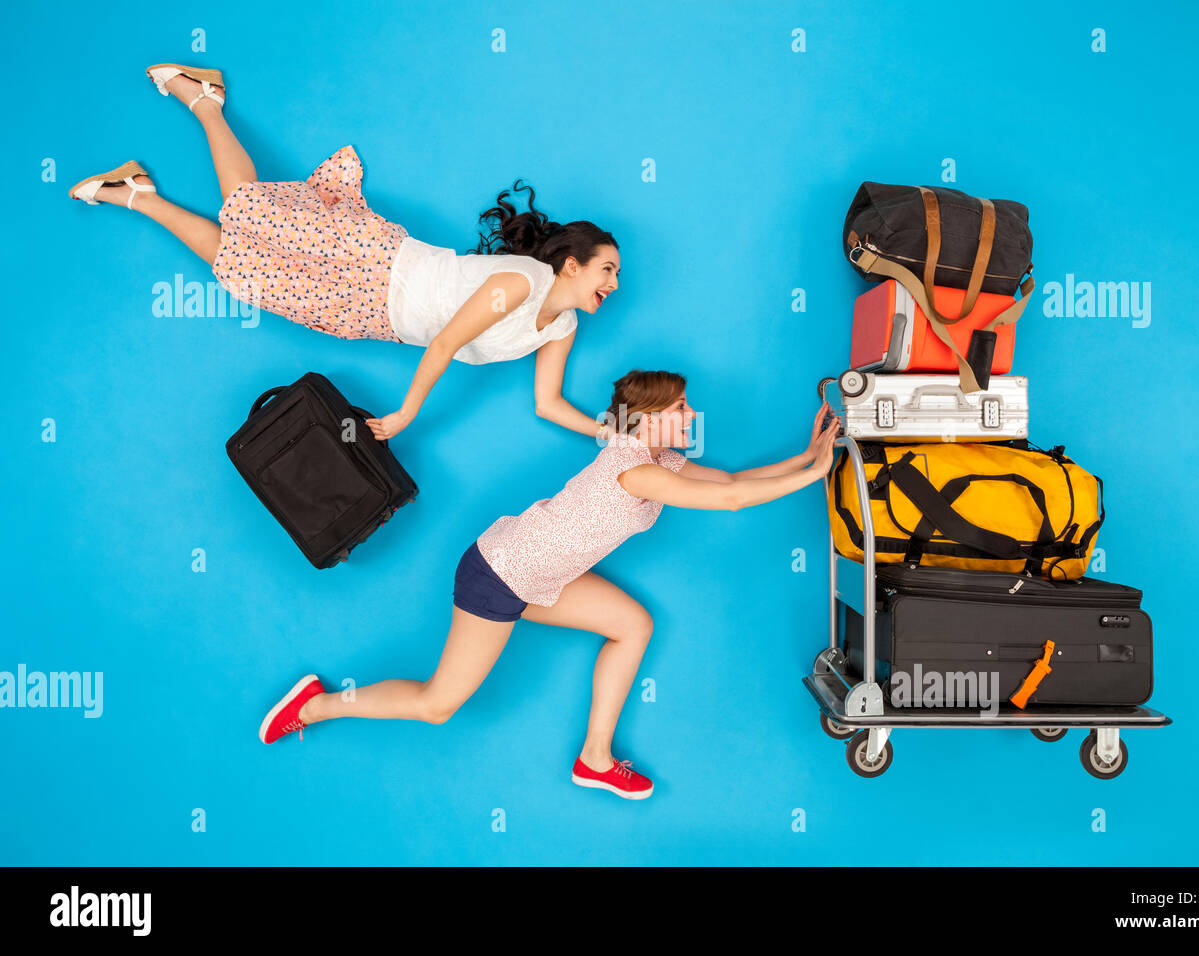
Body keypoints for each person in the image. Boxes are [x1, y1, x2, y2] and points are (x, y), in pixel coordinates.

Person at [257, 370, 841, 800]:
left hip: (543, 575)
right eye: (682, 407)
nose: (692, 417)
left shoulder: (659, 460)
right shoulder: (634, 467)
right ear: (646, 417)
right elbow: (733, 500)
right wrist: (815, 474)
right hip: (500, 574)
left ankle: (595, 759)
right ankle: (315, 707)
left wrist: (809, 456)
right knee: (439, 705)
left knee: (632, 626)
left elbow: (735, 478)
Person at [68, 63, 621, 442]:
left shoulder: (561, 327)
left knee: (245, 275)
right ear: (571, 264)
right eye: (608, 269)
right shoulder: (521, 281)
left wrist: (617, 432)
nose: (613, 284)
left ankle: (141, 195)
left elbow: (547, 404)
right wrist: (407, 412)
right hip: (377, 263)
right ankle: (206, 99)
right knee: (249, 211)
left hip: (374, 319)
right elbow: (451, 339)